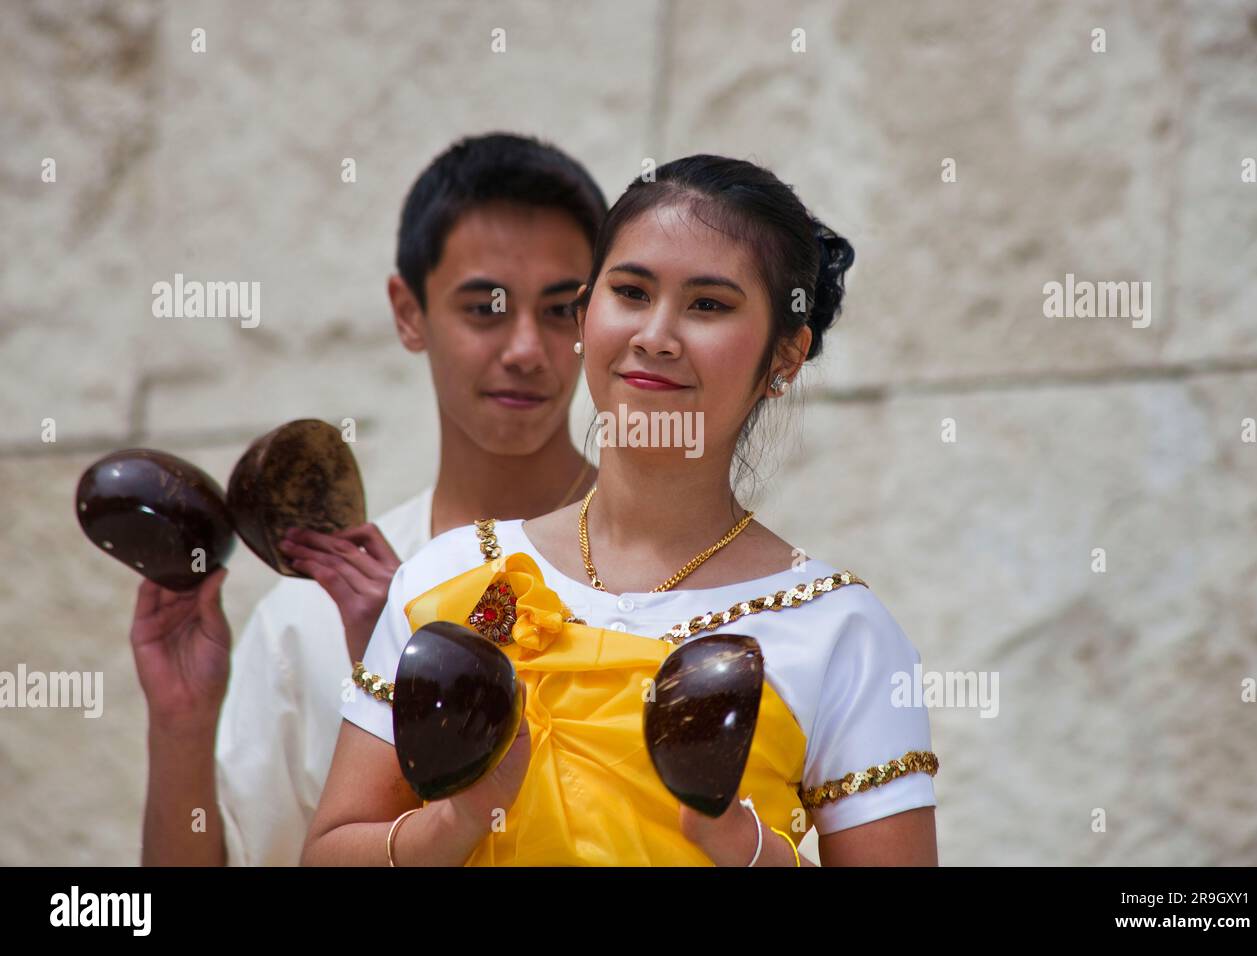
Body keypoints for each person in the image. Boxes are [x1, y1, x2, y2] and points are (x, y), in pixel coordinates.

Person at [302, 154, 939, 867]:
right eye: (631, 292)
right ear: (585, 314)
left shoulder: (839, 631)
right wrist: (458, 819)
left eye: (708, 305)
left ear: (785, 357)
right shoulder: (450, 578)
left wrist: (739, 842)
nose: (655, 336)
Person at [129, 133, 605, 865]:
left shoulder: (671, 576)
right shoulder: (307, 618)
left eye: (561, 310)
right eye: (485, 309)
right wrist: (181, 725)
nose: (525, 349)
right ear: (408, 312)